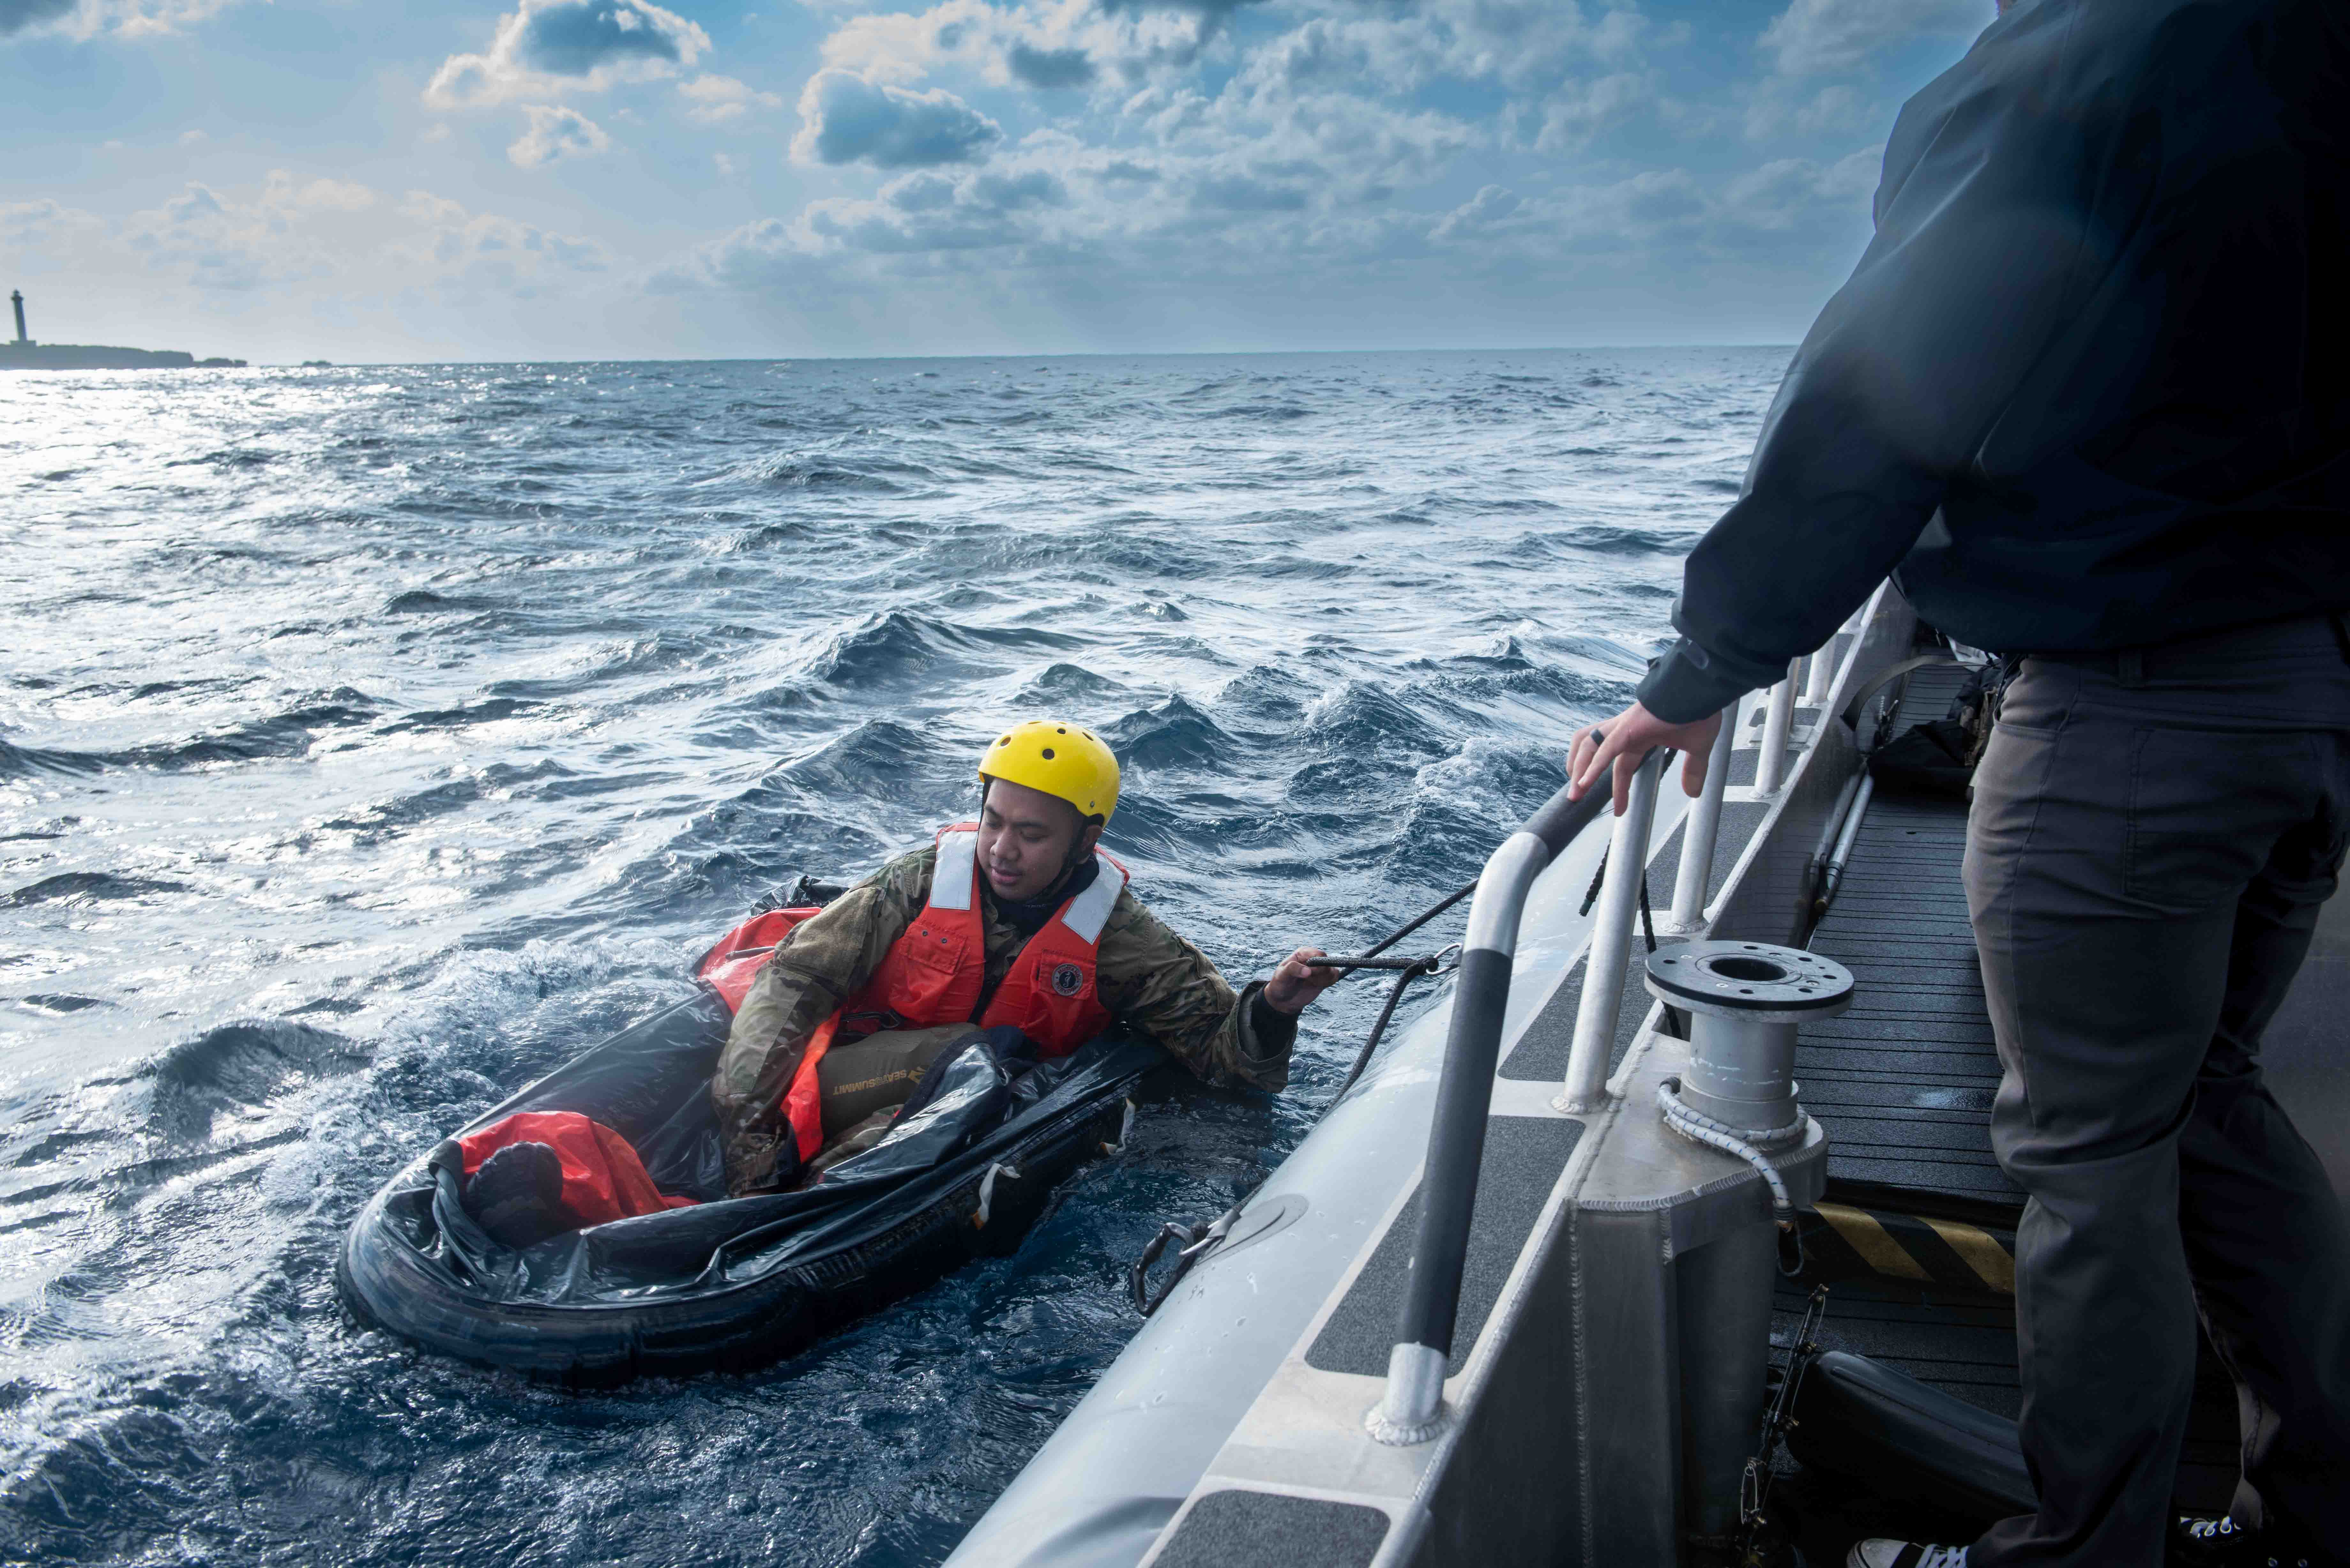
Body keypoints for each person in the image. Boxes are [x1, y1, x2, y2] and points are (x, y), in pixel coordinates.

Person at [1566, 1, 2350, 1563]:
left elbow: (1878, 398)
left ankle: (2083, 1547)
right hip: (2307, 682)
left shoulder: (2066, 72)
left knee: (2085, 1148)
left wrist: (1696, 672)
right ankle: (2314, 1503)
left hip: (2133, 708)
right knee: (2200, 1097)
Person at [711, 719, 1342, 1195]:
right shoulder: (913, 885)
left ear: (1084, 840)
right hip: (846, 1080)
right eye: (993, 822)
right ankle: (787, 1193)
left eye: (1030, 833)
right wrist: (748, 1140)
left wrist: (1273, 1009)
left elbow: (1224, 1058)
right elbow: (793, 980)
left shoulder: (1120, 938)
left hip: (965, 1107)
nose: (1000, 849)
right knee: (972, 1060)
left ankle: (823, 1195)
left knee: (985, 1075)